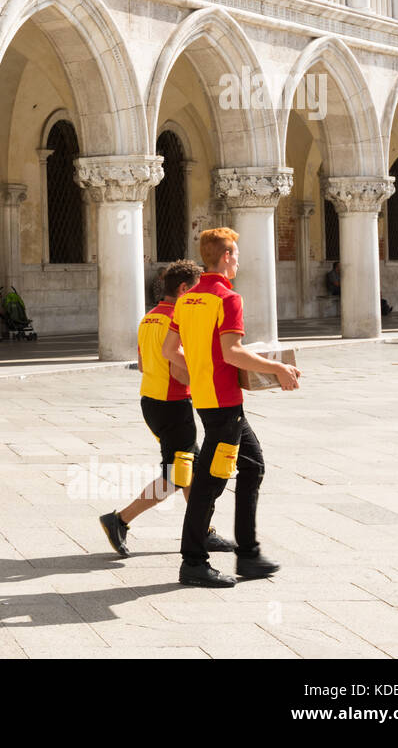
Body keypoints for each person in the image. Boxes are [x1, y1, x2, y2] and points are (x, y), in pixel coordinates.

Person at [164, 227, 301, 588]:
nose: (238, 261)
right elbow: (232, 352)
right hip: (224, 404)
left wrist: (199, 370)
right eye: (236, 255)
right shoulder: (227, 298)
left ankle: (249, 555)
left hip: (208, 400)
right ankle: (194, 562)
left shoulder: (187, 300)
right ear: (226, 257)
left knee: (252, 466)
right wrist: (278, 369)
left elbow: (169, 350)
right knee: (209, 483)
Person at [99, 259, 236, 558]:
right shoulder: (179, 319)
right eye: (196, 291)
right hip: (173, 405)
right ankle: (119, 520)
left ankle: (203, 531)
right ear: (184, 289)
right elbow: (178, 369)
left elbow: (143, 365)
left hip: (152, 402)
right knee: (177, 475)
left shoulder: (148, 318)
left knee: (190, 469)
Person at [327, 260, 392, 315]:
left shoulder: (340, 274)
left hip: (344, 289)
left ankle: (384, 309)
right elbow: (337, 284)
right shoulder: (331, 274)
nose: (342, 267)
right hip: (336, 290)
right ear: (336, 267)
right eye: (340, 266)